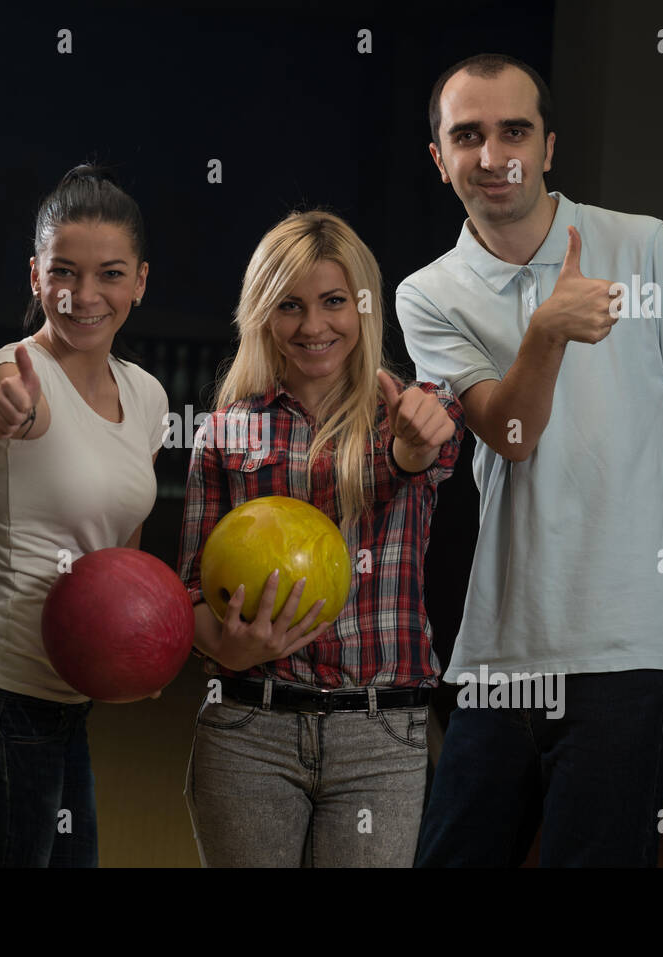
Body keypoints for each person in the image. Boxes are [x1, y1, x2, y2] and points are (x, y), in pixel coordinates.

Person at [396, 53, 663, 867]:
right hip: (498, 653)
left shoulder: (645, 246)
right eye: (467, 135)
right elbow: (512, 436)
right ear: (439, 160)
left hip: (635, 648)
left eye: (516, 130)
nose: (494, 154)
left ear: (549, 147)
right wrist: (546, 331)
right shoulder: (427, 293)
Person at [177, 210, 465, 867]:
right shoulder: (224, 433)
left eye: (334, 301)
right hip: (251, 726)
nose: (314, 326)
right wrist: (227, 643)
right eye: (290, 305)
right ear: (262, 314)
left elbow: (420, 456)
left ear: (364, 305)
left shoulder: (416, 413)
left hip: (380, 732)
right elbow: (192, 591)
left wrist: (414, 444)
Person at [0, 166, 169, 868]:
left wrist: (138, 644)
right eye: (63, 271)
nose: (83, 295)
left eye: (110, 273)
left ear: (140, 280)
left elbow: (127, 557)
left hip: (66, 704)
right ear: (35, 275)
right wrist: (10, 411)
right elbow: (8, 405)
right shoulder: (12, 372)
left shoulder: (147, 395)